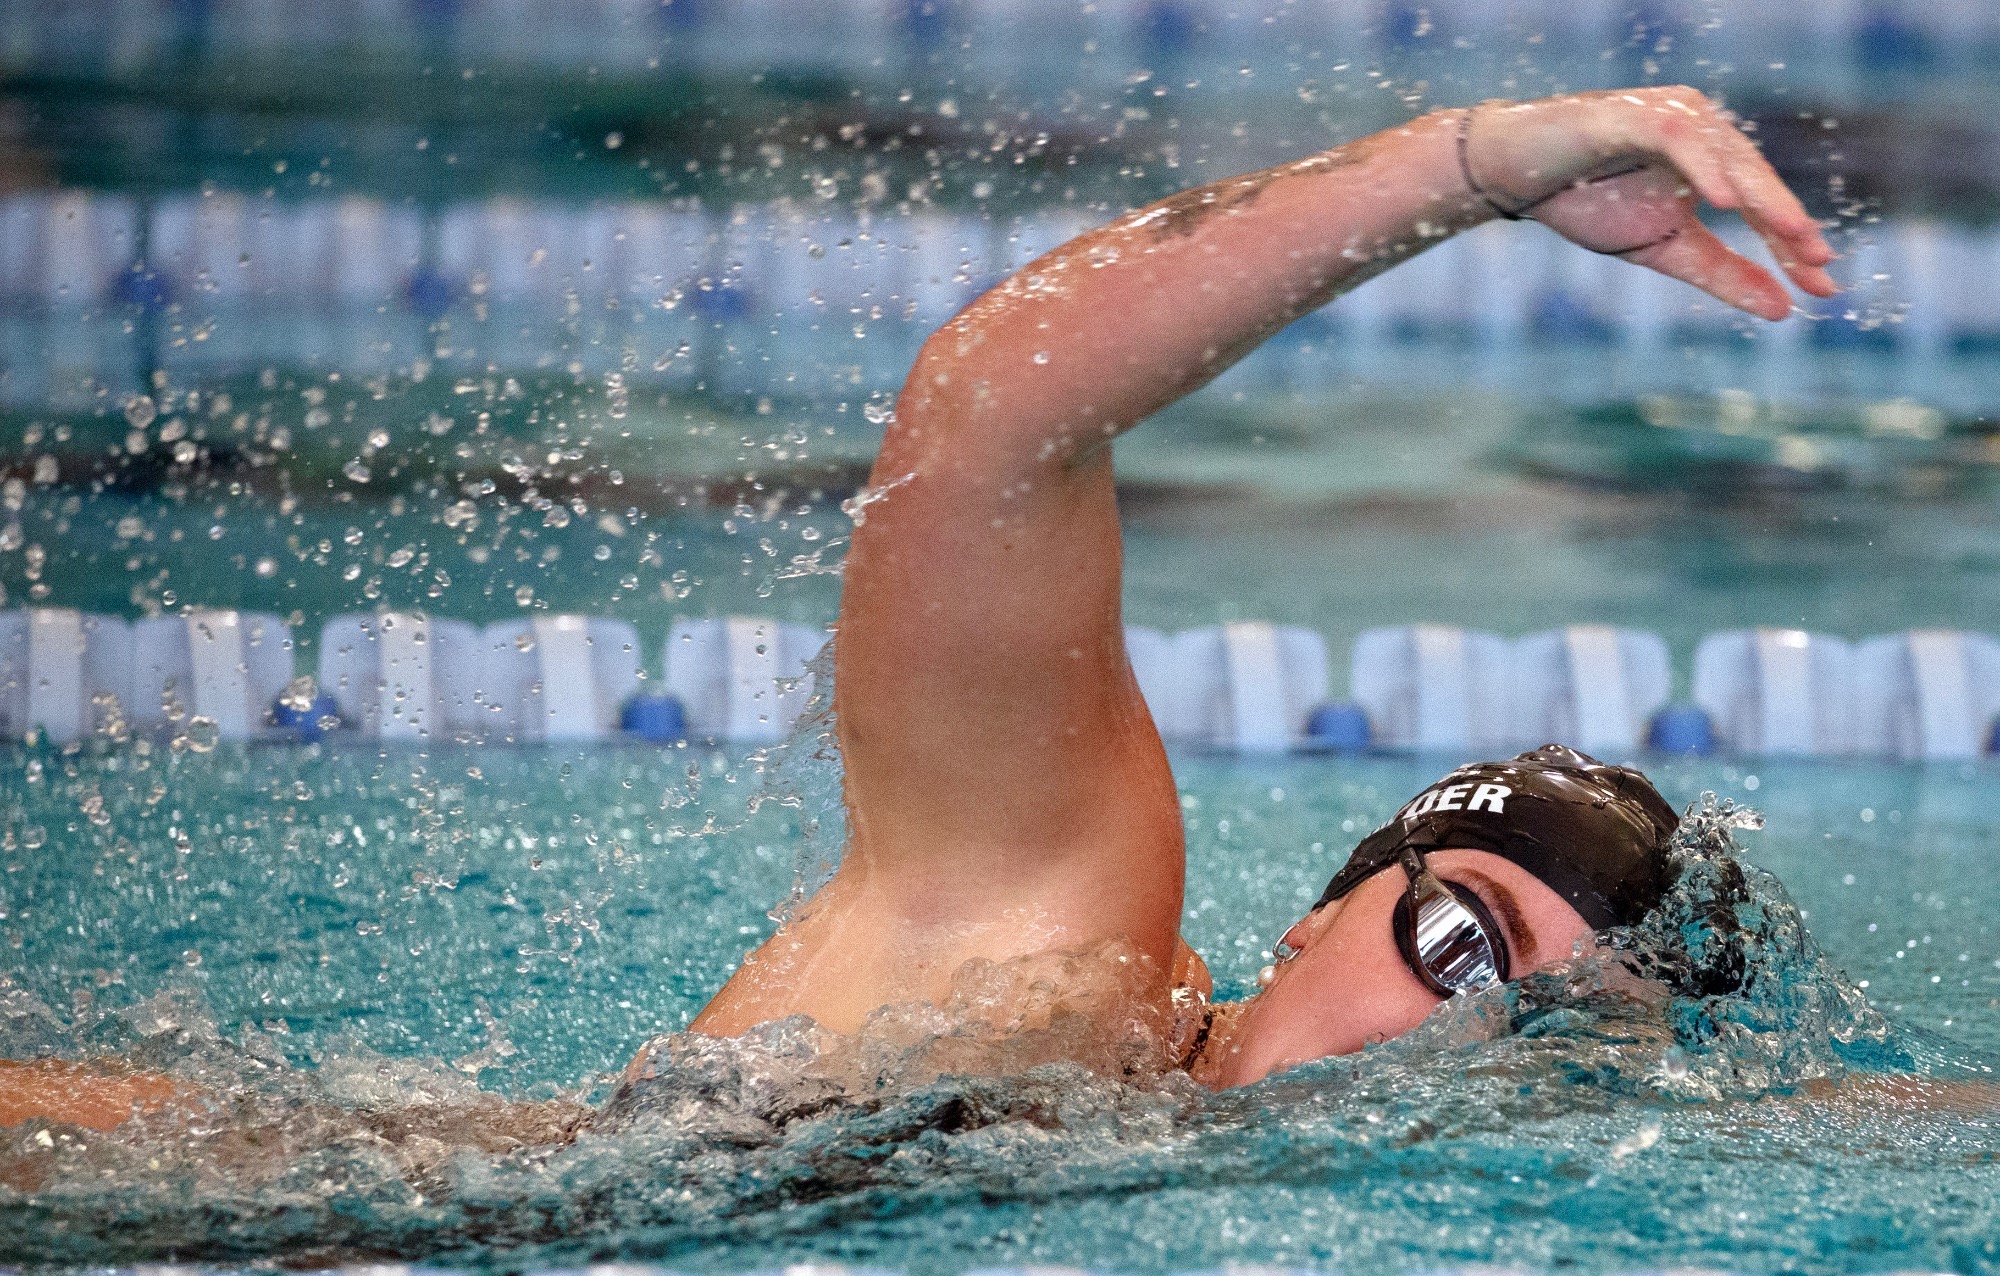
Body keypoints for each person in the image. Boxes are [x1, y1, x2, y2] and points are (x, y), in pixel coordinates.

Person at [0, 85, 1839, 1128]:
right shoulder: (1052, 962)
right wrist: (1464, 171)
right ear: (1320, 915)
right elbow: (994, 420)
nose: (1455, 1043)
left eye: (1541, 1044)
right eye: (1459, 947)